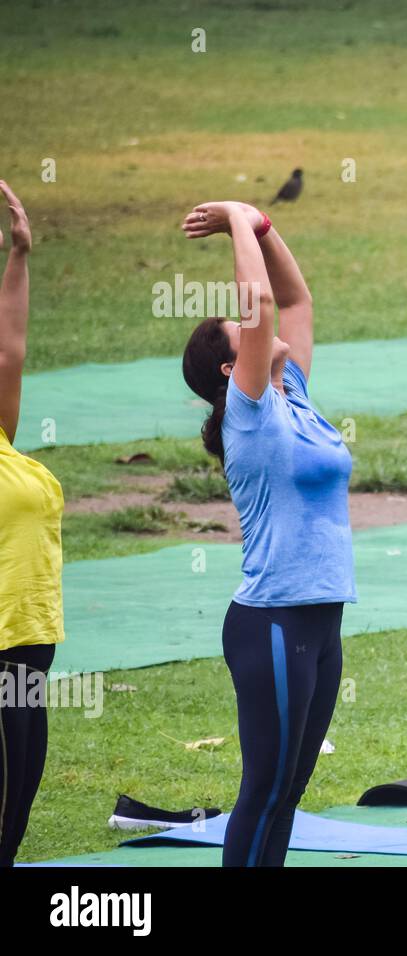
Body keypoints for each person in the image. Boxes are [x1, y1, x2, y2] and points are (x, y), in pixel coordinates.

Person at [180, 200, 355, 866]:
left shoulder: (294, 393)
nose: (263, 330)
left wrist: (262, 226)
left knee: (290, 790)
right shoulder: (250, 417)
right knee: (265, 788)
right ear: (232, 369)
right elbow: (257, 299)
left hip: (321, 620)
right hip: (273, 623)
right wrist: (231, 217)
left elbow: (294, 298)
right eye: (244, 335)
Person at [0, 181, 64, 867]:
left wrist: (19, 256)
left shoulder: (2, 437)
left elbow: (10, 348)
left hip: (31, 640)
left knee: (17, 800)